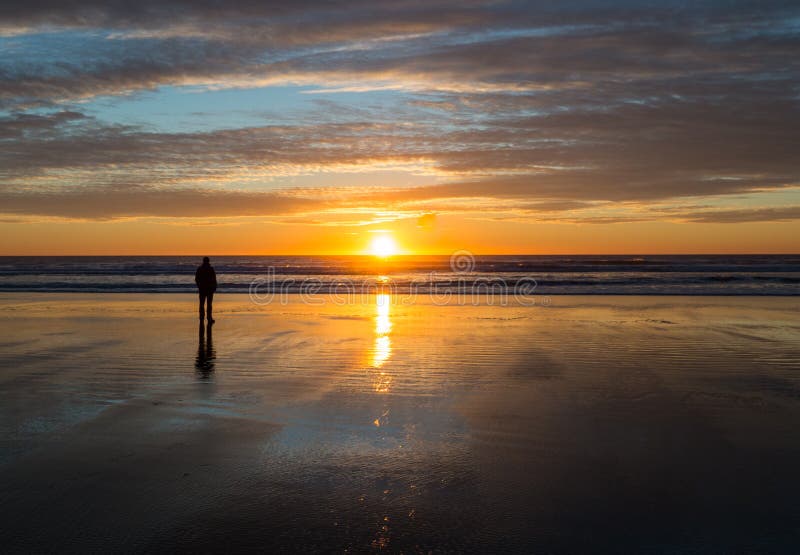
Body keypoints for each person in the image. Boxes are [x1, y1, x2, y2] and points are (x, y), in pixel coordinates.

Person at [195, 256, 217, 323]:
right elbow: (214, 279)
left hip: (202, 289)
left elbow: (196, 279)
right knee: (209, 304)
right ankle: (209, 318)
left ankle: (202, 318)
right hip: (209, 289)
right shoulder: (211, 269)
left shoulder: (200, 269)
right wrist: (214, 287)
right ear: (208, 261)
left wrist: (199, 286)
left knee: (202, 304)